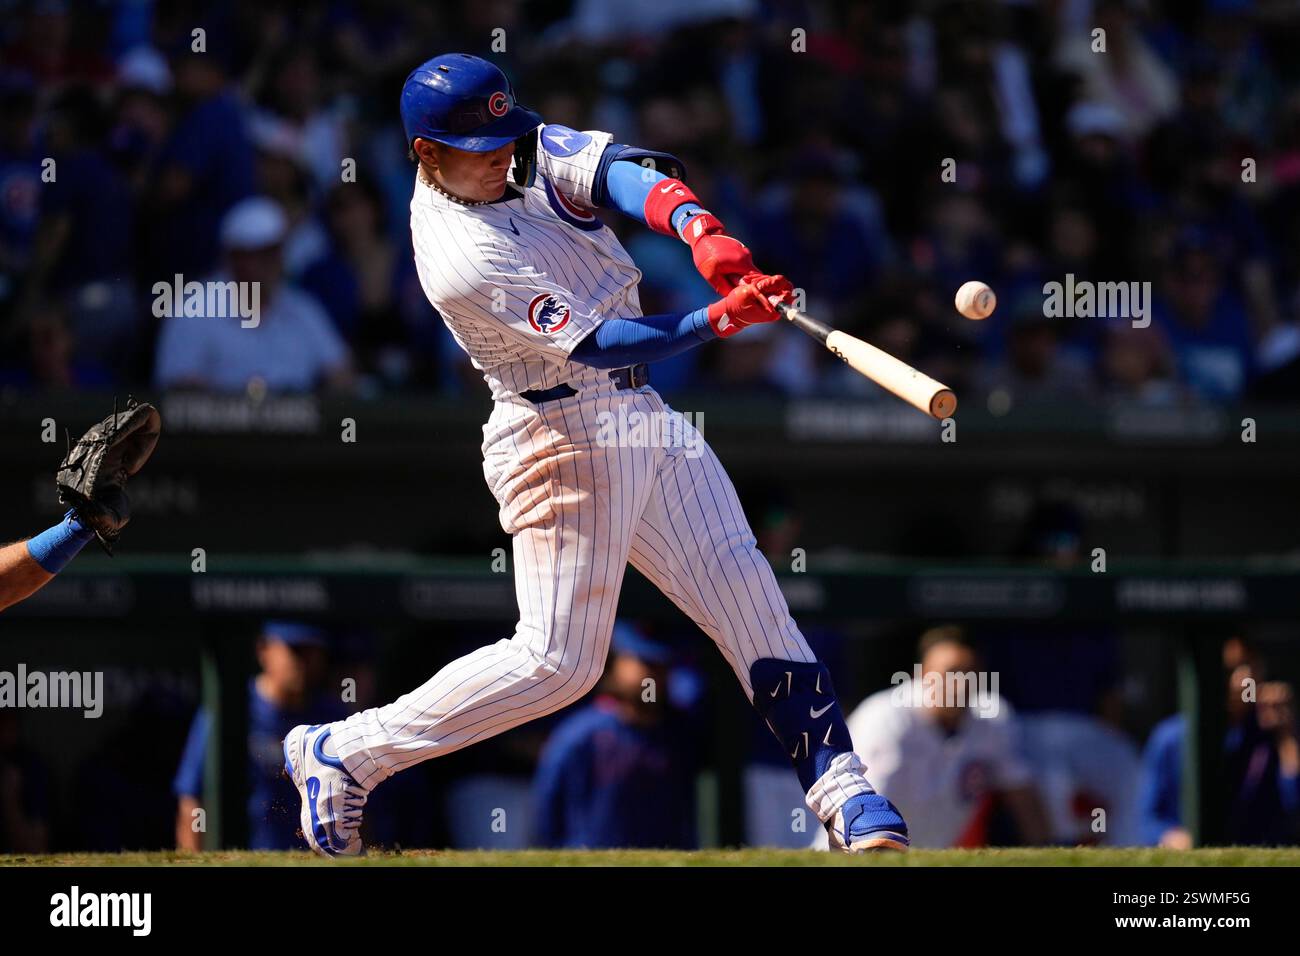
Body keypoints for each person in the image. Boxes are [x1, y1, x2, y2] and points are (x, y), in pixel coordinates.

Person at [283, 53, 909, 857]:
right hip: (556, 436)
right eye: (478, 146)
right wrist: (717, 320)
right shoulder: (457, 254)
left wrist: (698, 228)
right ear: (426, 154)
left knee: (748, 593)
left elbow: (620, 170)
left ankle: (844, 791)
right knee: (558, 665)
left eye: (505, 134)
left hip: (637, 413)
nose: (503, 154)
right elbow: (599, 346)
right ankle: (344, 752)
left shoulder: (514, 141)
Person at [814, 627, 1050, 849]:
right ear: (924, 675)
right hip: (858, 849)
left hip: (933, 854)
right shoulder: (887, 719)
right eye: (950, 674)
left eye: (970, 673)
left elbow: (1022, 798)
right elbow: (863, 811)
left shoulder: (992, 719)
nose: (960, 684)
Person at [174, 621, 347, 851]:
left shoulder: (334, 716)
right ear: (263, 650)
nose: (303, 662)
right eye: (294, 650)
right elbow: (194, 798)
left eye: (312, 651)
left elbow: (356, 804)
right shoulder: (228, 708)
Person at [153, 196, 355, 393]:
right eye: (255, 254)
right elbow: (176, 384)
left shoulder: (300, 307)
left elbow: (341, 373)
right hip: (220, 425)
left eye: (273, 252)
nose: (266, 264)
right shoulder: (194, 308)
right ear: (231, 257)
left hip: (294, 423)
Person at [531, 622, 697, 849]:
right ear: (616, 663)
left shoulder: (680, 733)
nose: (652, 674)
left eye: (660, 664)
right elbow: (548, 814)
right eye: (643, 663)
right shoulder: (580, 734)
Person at [1138, 638, 1300, 847]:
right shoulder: (1171, 738)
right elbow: (1148, 818)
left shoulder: (1271, 732)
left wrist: (1287, 736)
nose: (1245, 679)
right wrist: (1174, 838)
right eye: (1232, 669)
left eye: (1250, 665)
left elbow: (1293, 804)